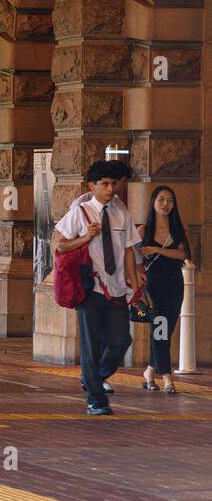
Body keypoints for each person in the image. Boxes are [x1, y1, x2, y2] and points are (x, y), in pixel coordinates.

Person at [52, 160, 143, 415]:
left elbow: (127, 250)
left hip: (116, 289)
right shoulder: (80, 212)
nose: (110, 188)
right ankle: (96, 398)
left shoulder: (121, 211)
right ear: (92, 185)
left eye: (113, 183)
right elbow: (61, 246)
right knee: (91, 344)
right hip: (90, 288)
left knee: (120, 341)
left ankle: (95, 376)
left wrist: (135, 287)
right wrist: (86, 236)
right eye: (104, 184)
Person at [138, 186, 187, 395]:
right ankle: (167, 377)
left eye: (170, 200)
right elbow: (136, 260)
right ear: (153, 203)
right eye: (161, 200)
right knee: (160, 330)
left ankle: (149, 371)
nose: (165, 204)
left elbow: (183, 255)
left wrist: (157, 249)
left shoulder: (178, 228)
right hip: (153, 288)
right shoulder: (143, 230)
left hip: (175, 285)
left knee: (166, 331)